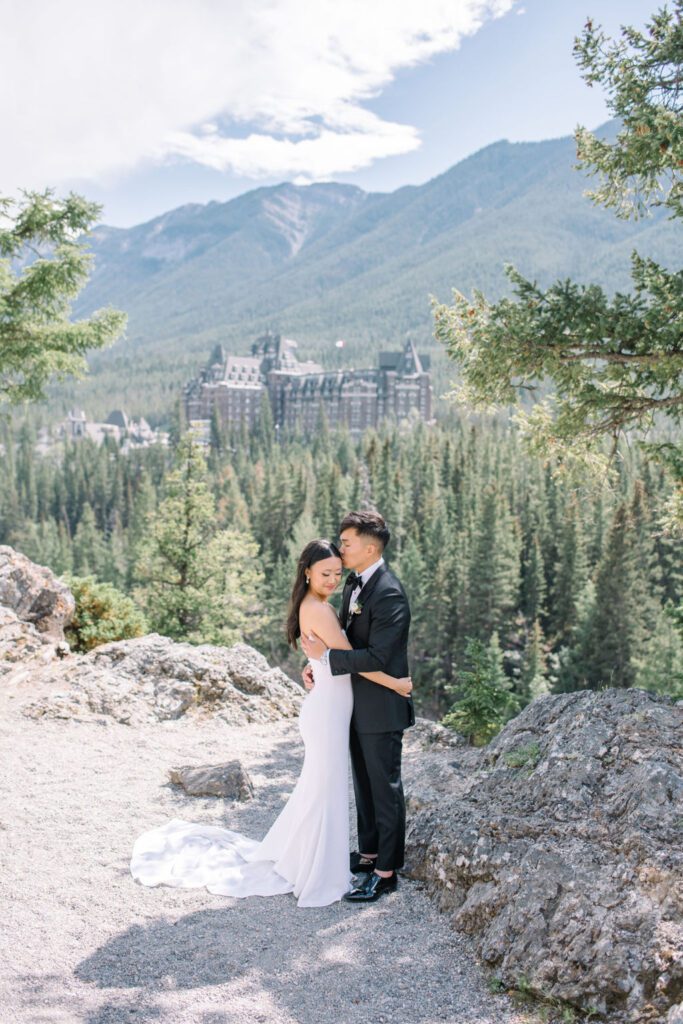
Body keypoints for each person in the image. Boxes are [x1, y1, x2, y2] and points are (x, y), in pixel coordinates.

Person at [129, 539, 411, 908]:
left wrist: (319, 665)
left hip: (335, 703)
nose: (332, 580)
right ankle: (316, 865)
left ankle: (322, 858)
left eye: (337, 574)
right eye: (325, 573)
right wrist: (395, 682)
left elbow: (335, 657)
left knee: (321, 788)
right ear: (307, 572)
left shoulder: (323, 603)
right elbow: (349, 657)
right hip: (329, 709)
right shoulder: (320, 609)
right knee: (323, 788)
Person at [301, 510, 414, 904]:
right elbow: (342, 638)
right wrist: (318, 664)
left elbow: (378, 657)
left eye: (346, 542)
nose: (340, 547)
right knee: (363, 785)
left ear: (369, 547)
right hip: (353, 703)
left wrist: (329, 660)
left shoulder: (389, 592)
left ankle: (386, 871)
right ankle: (368, 855)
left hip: (381, 706)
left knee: (384, 788)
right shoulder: (355, 584)